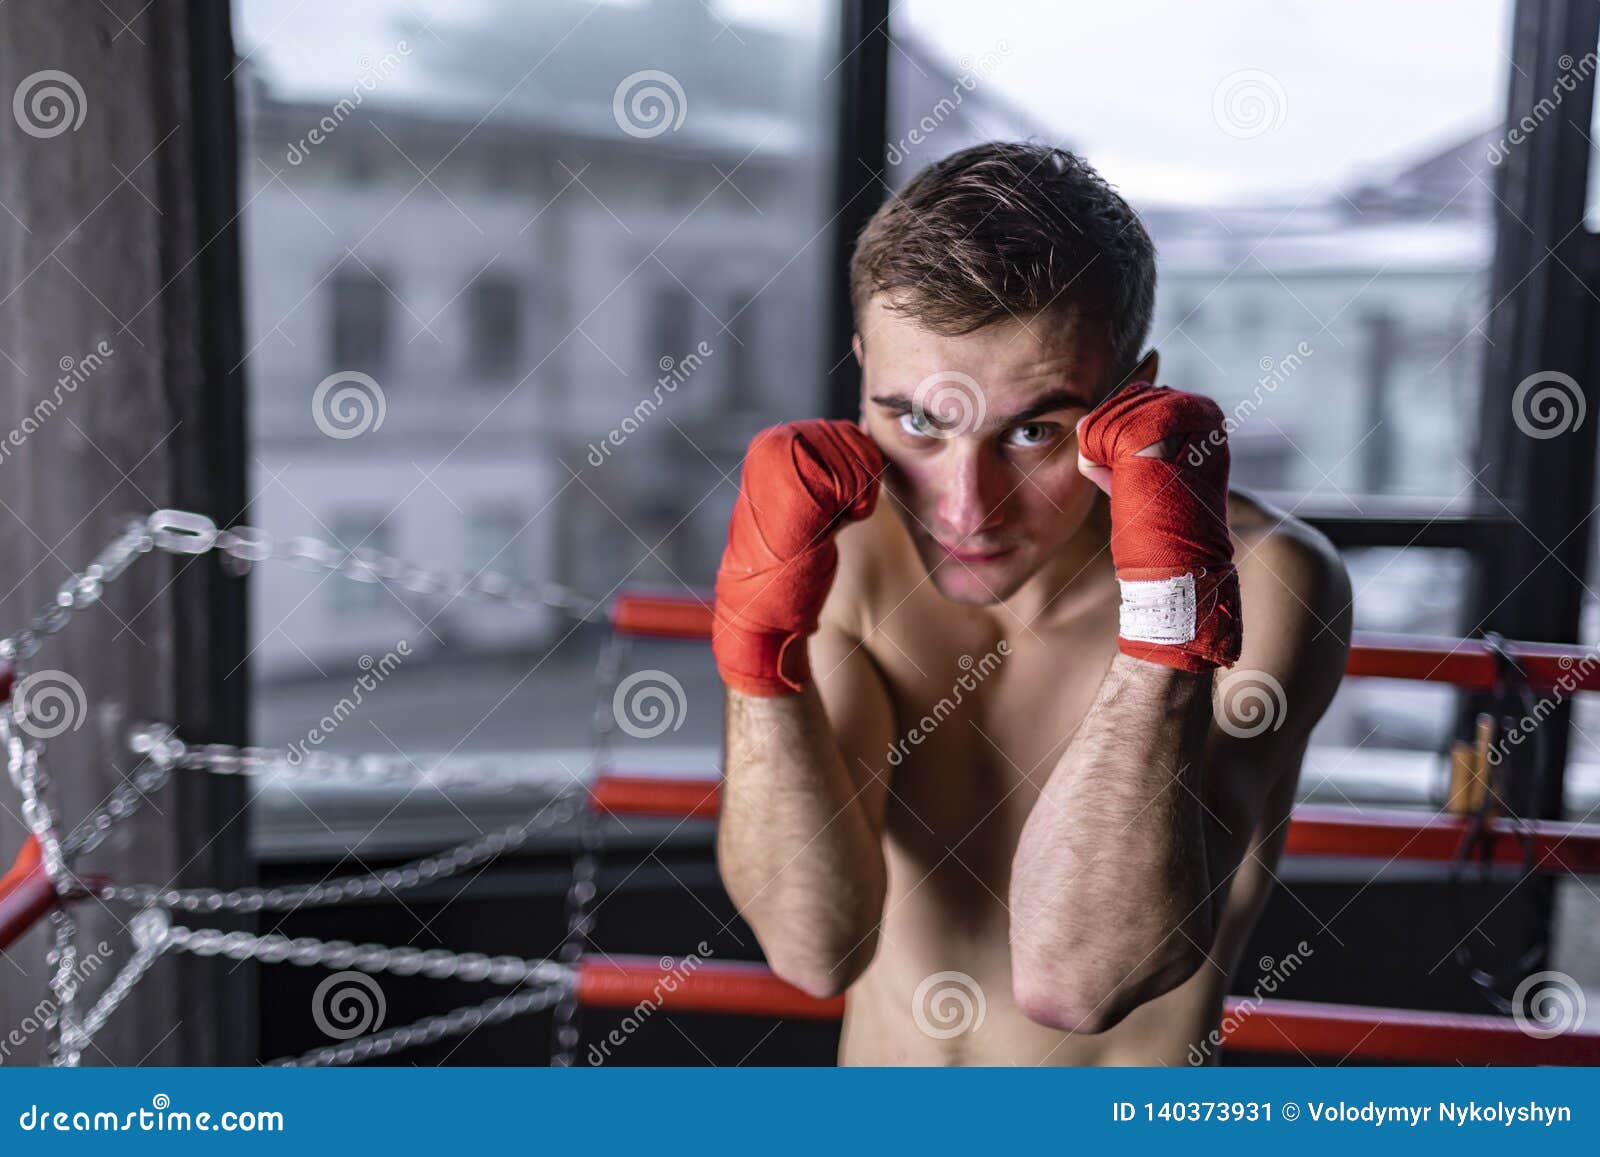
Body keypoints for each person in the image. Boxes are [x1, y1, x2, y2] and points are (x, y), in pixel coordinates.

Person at [711, 141, 1352, 1065]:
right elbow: (816, 949)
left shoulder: (1268, 582)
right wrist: (754, 657)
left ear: (1133, 400)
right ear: (859, 370)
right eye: (917, 420)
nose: (963, 510)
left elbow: (1078, 981)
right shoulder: (845, 554)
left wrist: (1166, 622)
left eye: (1033, 430)